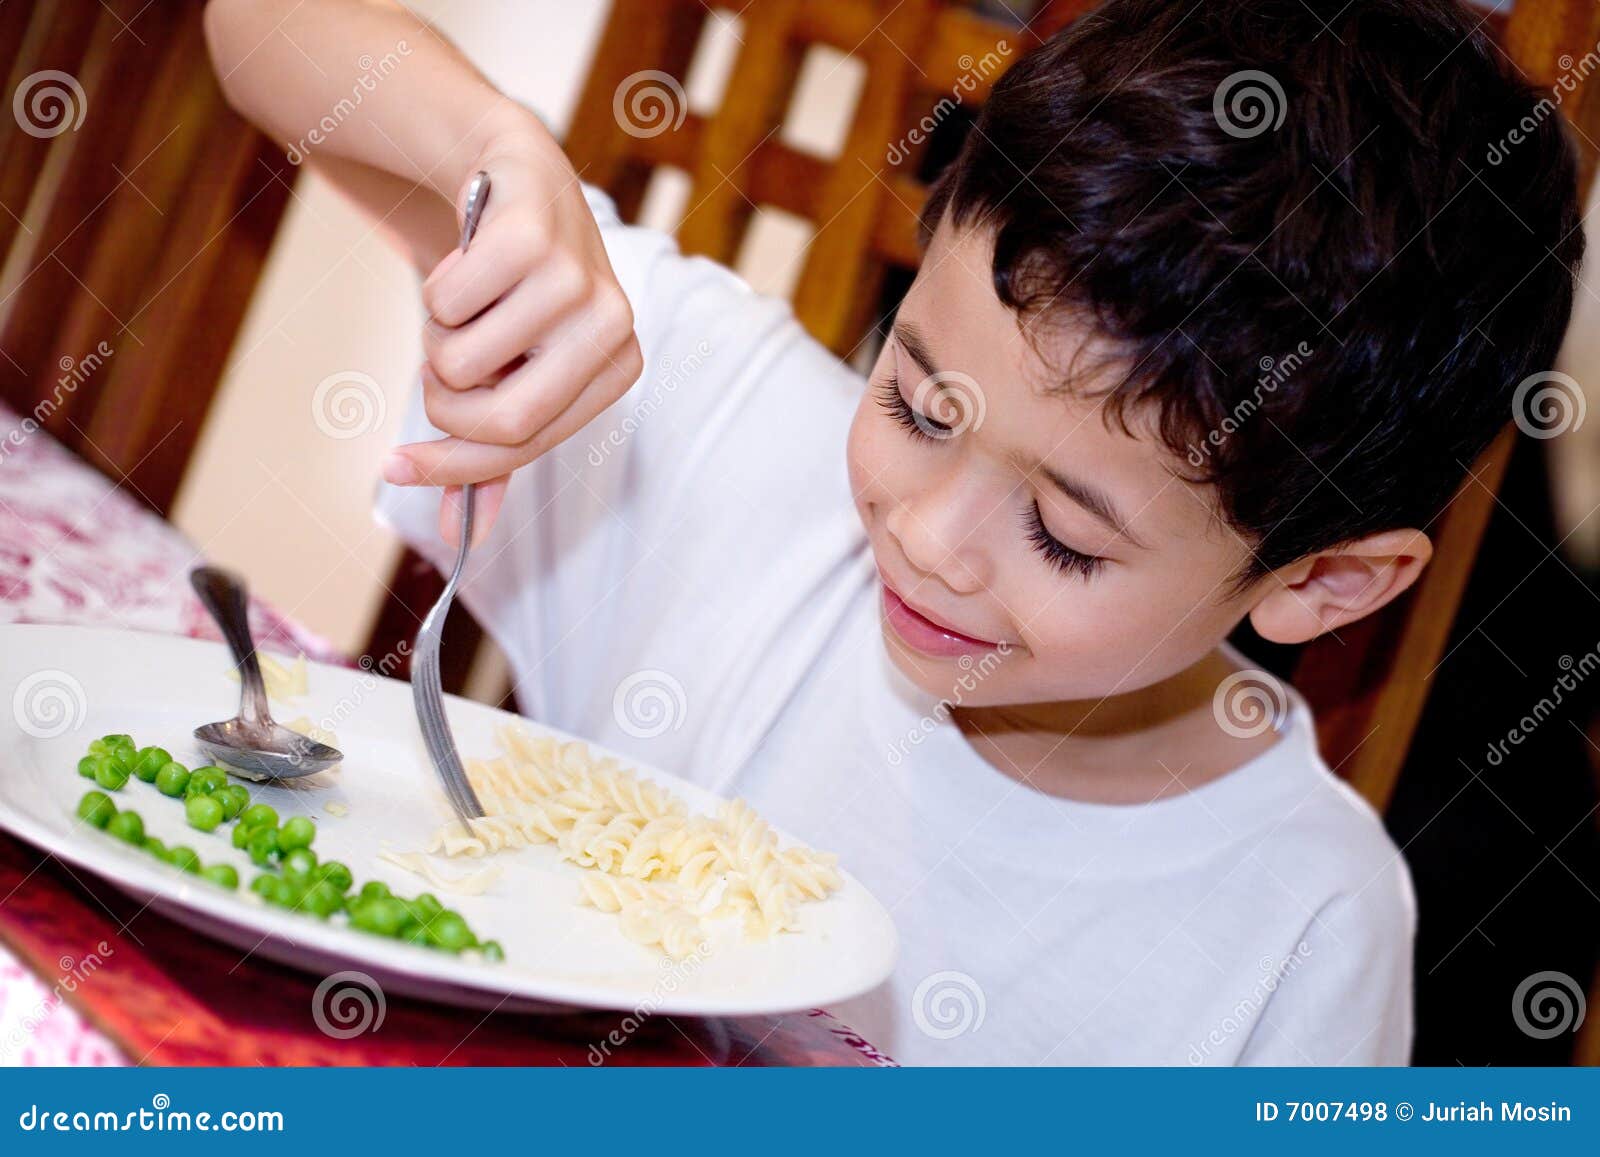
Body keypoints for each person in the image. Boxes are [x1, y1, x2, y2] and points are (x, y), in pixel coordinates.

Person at [204, 0, 1583, 1064]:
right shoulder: (738, 444)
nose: (925, 538)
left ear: (1327, 581)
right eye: (921, 402)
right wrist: (506, 162)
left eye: (1061, 534)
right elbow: (256, 31)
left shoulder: (1299, 935)